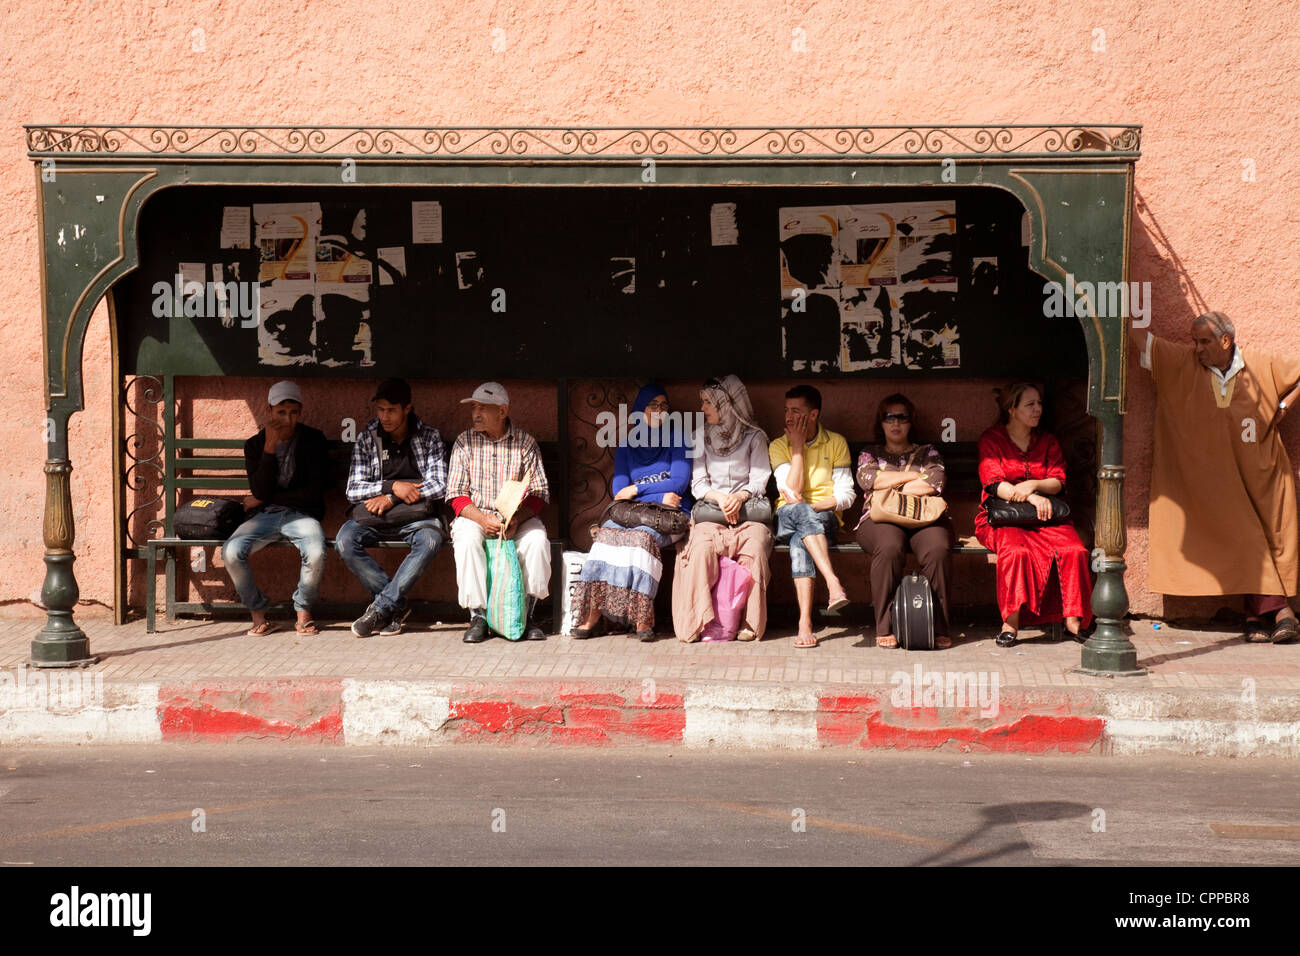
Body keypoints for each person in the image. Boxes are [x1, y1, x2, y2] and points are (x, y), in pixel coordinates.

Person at [1133, 311, 1300, 643]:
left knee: (1264, 536)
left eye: (1204, 341)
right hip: (1214, 483)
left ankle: (1256, 616)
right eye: (1195, 341)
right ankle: (1281, 612)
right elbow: (1142, 341)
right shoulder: (1181, 363)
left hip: (1261, 474)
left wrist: (1281, 409)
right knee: (1247, 539)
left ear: (1226, 340)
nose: (1197, 348)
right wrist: (1115, 296)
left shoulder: (1259, 364)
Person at [975, 382, 1093, 647]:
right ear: (1012, 409)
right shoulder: (992, 439)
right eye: (1030, 404)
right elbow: (993, 483)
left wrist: (1035, 485)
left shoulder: (1047, 440)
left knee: (1074, 550)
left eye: (1039, 403)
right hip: (1006, 517)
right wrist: (1030, 495)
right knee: (1017, 553)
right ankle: (1011, 623)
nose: (1037, 409)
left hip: (1045, 516)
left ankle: (1073, 620)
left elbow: (1059, 481)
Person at [573, 384, 692, 642]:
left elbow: (679, 483)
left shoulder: (678, 439)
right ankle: (593, 615)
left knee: (641, 539)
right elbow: (618, 490)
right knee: (605, 538)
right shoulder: (628, 446)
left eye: (664, 406)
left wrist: (637, 489)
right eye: (653, 405)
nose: (660, 410)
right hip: (634, 514)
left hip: (669, 518)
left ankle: (642, 618)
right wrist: (658, 494)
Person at [335, 378, 448, 638]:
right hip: (375, 518)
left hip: (417, 518)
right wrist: (392, 487)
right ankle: (394, 605)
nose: (385, 416)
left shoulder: (429, 436)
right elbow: (353, 489)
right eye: (380, 409)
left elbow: (440, 485)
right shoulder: (368, 438)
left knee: (431, 541)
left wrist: (392, 498)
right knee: (345, 541)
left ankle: (381, 608)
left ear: (407, 408)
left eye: (391, 410)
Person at [447, 382, 552, 643]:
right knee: (467, 540)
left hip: (515, 517)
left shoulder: (525, 443)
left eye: (483, 408)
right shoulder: (464, 442)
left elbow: (539, 493)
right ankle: (478, 616)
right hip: (476, 515)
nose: (476, 414)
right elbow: (456, 494)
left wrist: (517, 519)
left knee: (537, 541)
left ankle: (525, 615)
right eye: (474, 407)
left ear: (503, 411)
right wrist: (483, 519)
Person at [224, 381, 331, 636]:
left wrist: (265, 498)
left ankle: (303, 611)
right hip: (266, 516)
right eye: (281, 412)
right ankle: (259, 616)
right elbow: (261, 489)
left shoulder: (314, 440)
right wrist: (269, 447)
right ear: (269, 410)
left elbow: (314, 491)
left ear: (300, 412)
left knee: (316, 552)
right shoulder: (254, 445)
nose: (287, 419)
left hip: (302, 515)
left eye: (293, 412)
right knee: (231, 551)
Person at [672, 375, 774, 642]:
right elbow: (698, 484)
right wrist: (721, 498)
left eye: (708, 402)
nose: (703, 408)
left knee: (754, 549)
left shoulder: (755, 437)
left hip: (748, 513)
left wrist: (739, 497)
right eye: (702, 401)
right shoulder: (699, 437)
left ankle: (749, 623)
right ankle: (698, 622)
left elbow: (759, 479)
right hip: (711, 512)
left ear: (727, 403)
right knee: (701, 550)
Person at [854, 393, 953, 649]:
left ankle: (938, 625)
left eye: (902, 417)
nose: (895, 423)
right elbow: (870, 481)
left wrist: (891, 485)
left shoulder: (928, 451)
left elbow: (934, 483)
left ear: (911, 421)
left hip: (924, 515)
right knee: (889, 547)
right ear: (881, 421)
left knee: (937, 548)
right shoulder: (870, 452)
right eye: (889, 417)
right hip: (879, 518)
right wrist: (912, 476)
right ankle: (884, 626)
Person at [769, 384, 855, 648]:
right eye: (786, 410)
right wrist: (796, 449)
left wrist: (815, 507)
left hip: (824, 517)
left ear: (814, 414)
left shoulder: (836, 442)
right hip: (787, 515)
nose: (788, 418)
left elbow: (846, 495)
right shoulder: (778, 446)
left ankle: (804, 621)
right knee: (799, 511)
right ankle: (832, 582)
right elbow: (791, 492)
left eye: (796, 411)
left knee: (799, 541)